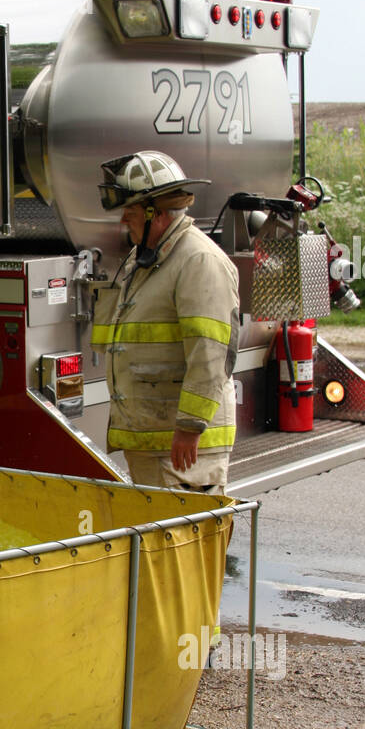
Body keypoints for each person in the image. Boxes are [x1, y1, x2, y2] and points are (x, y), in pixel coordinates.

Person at [92, 151, 240, 494]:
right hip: (156, 438)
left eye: (129, 214)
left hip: (181, 447)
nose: (123, 223)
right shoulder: (150, 257)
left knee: (184, 543)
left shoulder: (197, 260)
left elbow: (210, 351)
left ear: (153, 213)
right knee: (159, 544)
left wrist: (190, 427)